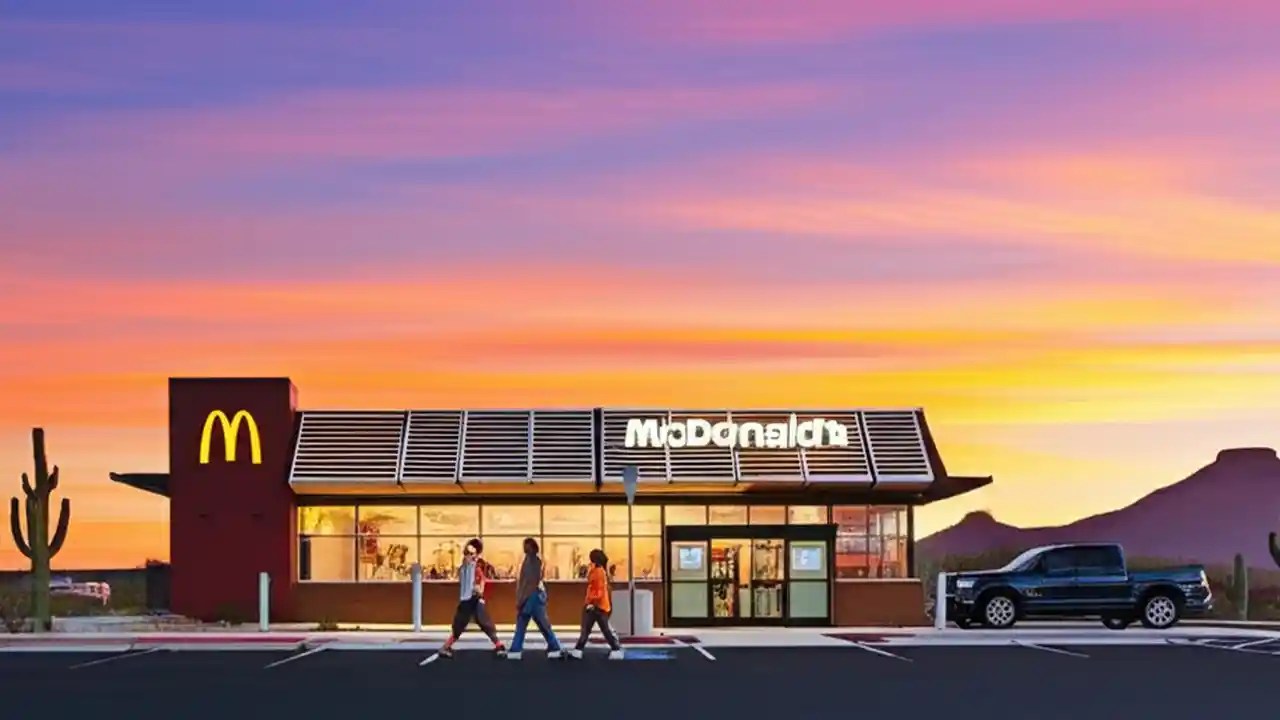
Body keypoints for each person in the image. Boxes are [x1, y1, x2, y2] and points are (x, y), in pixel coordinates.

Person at [438, 538, 506, 659]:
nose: (469, 556)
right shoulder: (464, 567)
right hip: (466, 600)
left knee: (485, 622)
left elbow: (481, 582)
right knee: (459, 624)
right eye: (467, 553)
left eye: (471, 553)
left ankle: (499, 645)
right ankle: (446, 647)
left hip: (474, 599)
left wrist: (479, 591)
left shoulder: (474, 567)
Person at [508, 537, 563, 660]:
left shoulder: (533, 562)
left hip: (532, 597)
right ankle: (554, 646)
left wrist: (521, 599)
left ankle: (516, 648)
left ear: (532, 547)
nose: (524, 547)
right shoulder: (529, 561)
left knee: (525, 622)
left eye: (526, 545)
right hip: (533, 596)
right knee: (541, 623)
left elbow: (531, 582)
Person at [570, 548, 623, 660]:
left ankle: (615, 649)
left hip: (596, 606)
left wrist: (591, 602)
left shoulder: (598, 572)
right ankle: (578, 650)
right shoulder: (598, 570)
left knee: (595, 629)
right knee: (591, 629)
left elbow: (598, 591)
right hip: (598, 606)